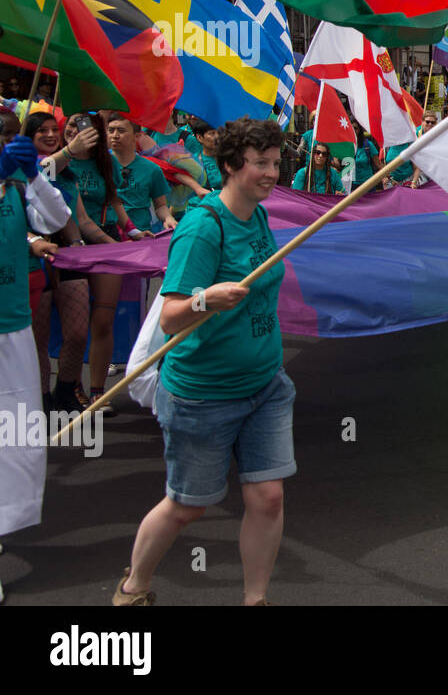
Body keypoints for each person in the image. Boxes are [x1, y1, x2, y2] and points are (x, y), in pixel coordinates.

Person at [114, 118, 295, 607]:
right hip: (203, 393)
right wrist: (206, 300)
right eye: (261, 163)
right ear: (232, 165)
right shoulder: (202, 227)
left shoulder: (257, 212)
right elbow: (172, 317)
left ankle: (255, 600)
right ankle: (134, 587)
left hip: (265, 384)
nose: (271, 173)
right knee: (188, 506)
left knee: (268, 496)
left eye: (275, 163)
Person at [1, 128, 72, 541]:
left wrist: (32, 175)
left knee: (14, 436)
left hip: (11, 326)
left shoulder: (14, 184)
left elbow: (57, 219)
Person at [48, 112, 130, 413]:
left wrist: (129, 233)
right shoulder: (55, 163)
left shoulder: (104, 164)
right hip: (64, 246)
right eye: (70, 125)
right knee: (68, 327)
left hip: (99, 241)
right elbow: (40, 177)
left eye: (84, 127)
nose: (76, 131)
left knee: (103, 320)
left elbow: (112, 201)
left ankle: (96, 392)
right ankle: (69, 389)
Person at [106, 113, 178, 235]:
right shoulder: (99, 164)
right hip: (108, 236)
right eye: (111, 130)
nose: (115, 135)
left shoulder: (152, 169)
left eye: (121, 131)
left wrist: (168, 218)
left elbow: (160, 206)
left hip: (142, 235)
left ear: (137, 135)